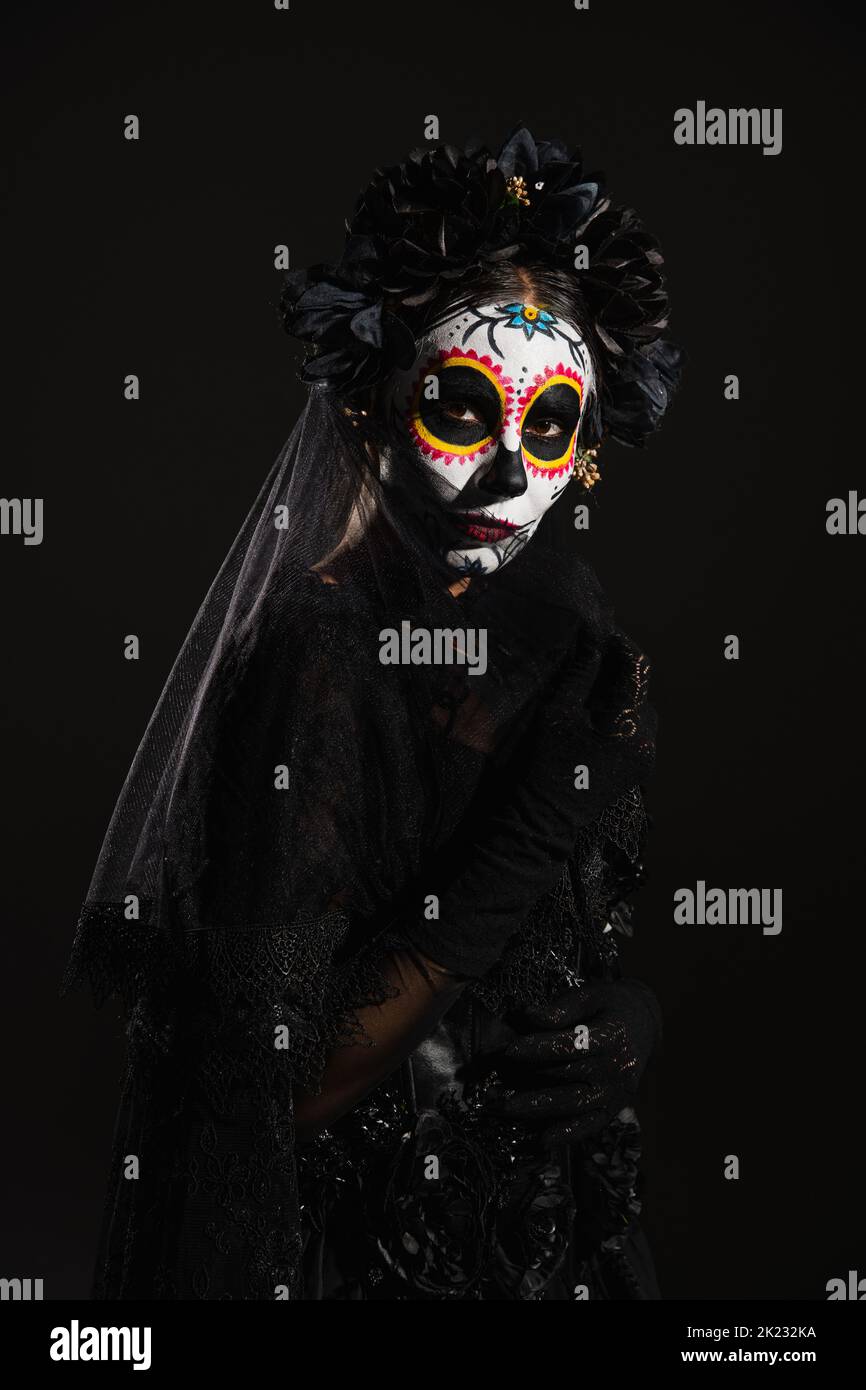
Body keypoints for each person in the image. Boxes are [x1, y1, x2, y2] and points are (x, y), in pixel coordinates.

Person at [64, 126, 682, 1300]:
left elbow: (548, 957)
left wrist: (624, 1021)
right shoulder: (319, 651)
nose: (510, 470)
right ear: (370, 408)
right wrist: (525, 835)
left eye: (549, 424)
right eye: (460, 408)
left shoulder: (564, 636)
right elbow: (271, 1085)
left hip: (546, 1245)